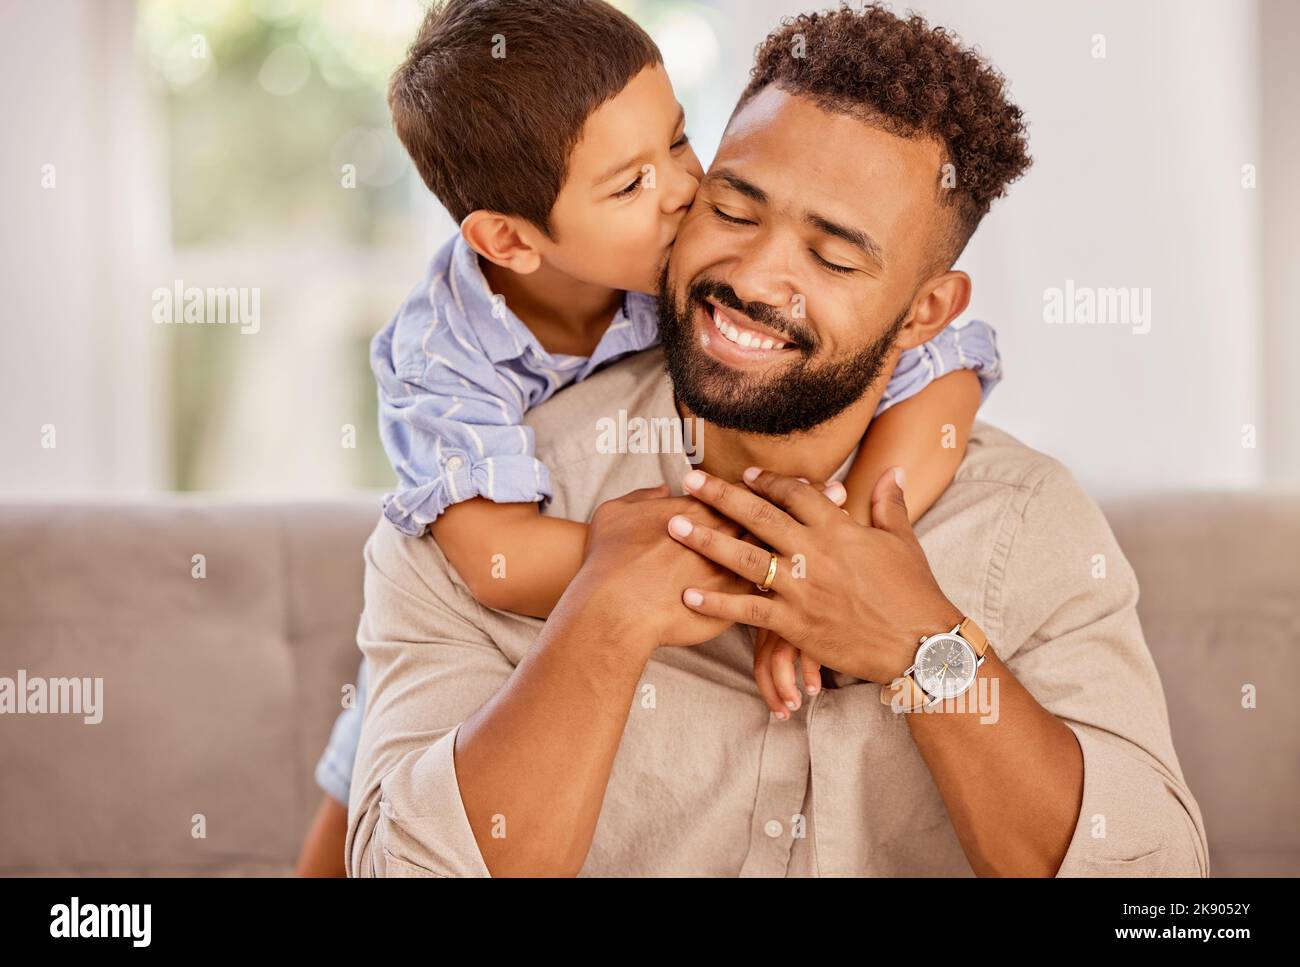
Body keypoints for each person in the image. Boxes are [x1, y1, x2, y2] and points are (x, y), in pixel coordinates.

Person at [344, 4, 1208, 876]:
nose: (756, 278)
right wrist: (602, 617)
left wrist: (924, 647)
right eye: (732, 209)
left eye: (833, 258)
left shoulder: (1027, 525)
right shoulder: (480, 507)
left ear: (924, 312)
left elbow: (1168, 902)